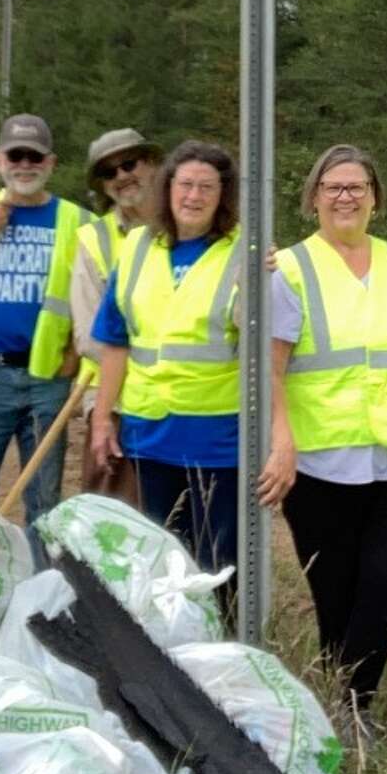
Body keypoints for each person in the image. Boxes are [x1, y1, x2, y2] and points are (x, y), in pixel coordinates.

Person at [257, 144, 387, 736]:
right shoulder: (287, 267)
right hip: (319, 461)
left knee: (386, 584)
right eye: (333, 187)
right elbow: (270, 367)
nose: (345, 197)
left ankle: (356, 700)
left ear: (375, 197)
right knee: (334, 590)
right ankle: (343, 703)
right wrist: (280, 441)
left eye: (357, 186)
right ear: (313, 198)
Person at [90, 139, 241, 572]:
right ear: (168, 187)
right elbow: (116, 340)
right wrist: (104, 418)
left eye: (207, 188)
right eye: (186, 184)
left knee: (215, 562)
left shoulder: (244, 254)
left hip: (218, 439)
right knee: (163, 557)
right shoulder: (137, 248)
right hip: (149, 435)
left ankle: (219, 635)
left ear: (222, 195)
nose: (194, 196)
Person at [0, 113, 92, 528]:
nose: (25, 165)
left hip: (47, 379)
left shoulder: (78, 220)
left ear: (50, 164)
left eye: (34, 157)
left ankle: (43, 589)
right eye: (15, 156)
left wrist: (72, 355)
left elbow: (94, 293)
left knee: (44, 504)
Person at [71, 127, 162, 500]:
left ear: (153, 163)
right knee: (112, 525)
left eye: (129, 164)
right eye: (109, 173)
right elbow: (89, 336)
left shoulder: (192, 221)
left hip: (182, 402)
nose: (122, 176)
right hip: (115, 404)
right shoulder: (94, 240)